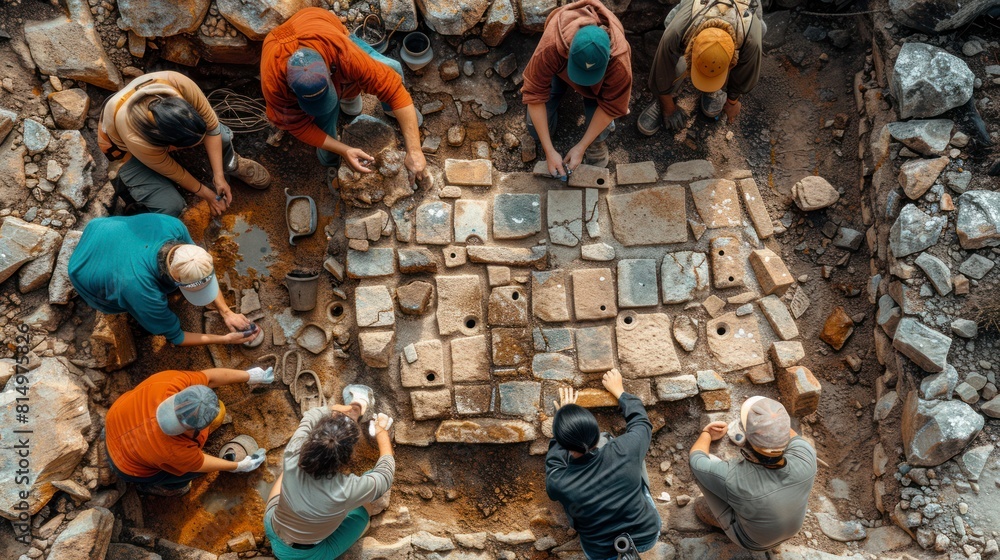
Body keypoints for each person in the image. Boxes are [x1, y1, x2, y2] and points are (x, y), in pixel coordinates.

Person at [260, 8, 427, 187]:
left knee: (391, 68)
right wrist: (344, 150)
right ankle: (332, 161)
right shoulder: (274, 84)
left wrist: (415, 150)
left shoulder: (344, 54)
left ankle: (359, 99)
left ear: (330, 71)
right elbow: (298, 126)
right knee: (326, 142)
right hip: (297, 44)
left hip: (326, 29)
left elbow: (394, 90)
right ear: (291, 90)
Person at [98, 70, 271, 217]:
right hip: (129, 155)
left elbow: (212, 129)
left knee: (222, 136)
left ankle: (232, 164)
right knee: (171, 206)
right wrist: (208, 195)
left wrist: (218, 176)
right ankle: (143, 210)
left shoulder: (178, 83)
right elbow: (175, 172)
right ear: (169, 145)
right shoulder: (136, 137)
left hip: (162, 137)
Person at [68, 213, 256, 347]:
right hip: (83, 271)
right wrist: (225, 339)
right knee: (129, 306)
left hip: (102, 230)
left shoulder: (174, 227)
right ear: (174, 278)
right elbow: (177, 337)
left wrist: (227, 312)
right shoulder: (141, 290)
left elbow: (198, 267)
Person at [546, 369, 661, 560]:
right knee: (635, 457)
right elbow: (641, 421)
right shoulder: (625, 449)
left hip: (599, 552)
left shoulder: (558, 482)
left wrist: (565, 419)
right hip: (647, 536)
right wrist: (619, 392)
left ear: (562, 444)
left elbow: (554, 462)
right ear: (595, 432)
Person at [104, 366, 274, 496]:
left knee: (218, 409)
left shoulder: (169, 382)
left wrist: (251, 376)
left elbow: (210, 377)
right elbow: (202, 464)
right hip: (125, 465)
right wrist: (238, 466)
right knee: (186, 474)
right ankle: (169, 488)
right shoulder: (172, 451)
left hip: (115, 421)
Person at [264, 400, 395, 559]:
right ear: (346, 458)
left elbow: (311, 415)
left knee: (288, 471)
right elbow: (385, 475)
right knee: (363, 509)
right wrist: (382, 433)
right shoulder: (346, 491)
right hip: (304, 555)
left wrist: (336, 410)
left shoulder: (293, 451)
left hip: (273, 527)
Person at [689, 396, 817, 551]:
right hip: (790, 532)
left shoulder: (733, 477)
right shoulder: (806, 454)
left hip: (752, 542)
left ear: (744, 438)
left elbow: (696, 459)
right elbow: (787, 431)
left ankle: (711, 517)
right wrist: (771, 419)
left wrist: (707, 433)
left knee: (706, 470)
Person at [521, 0, 632, 175]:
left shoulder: (619, 61)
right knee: (535, 130)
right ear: (569, 51)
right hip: (559, 72)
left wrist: (581, 147)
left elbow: (613, 106)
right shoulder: (552, 44)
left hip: (597, 89)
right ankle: (556, 101)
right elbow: (534, 92)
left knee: (599, 126)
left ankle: (596, 141)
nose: (582, 81)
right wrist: (549, 150)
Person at [638, 0, 763, 135]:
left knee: (738, 52)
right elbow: (662, 65)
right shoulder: (677, 31)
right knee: (677, 63)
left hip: (742, 11)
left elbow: (745, 73)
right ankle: (663, 98)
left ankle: (713, 90)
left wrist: (732, 101)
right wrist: (667, 106)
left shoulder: (751, 40)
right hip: (694, 16)